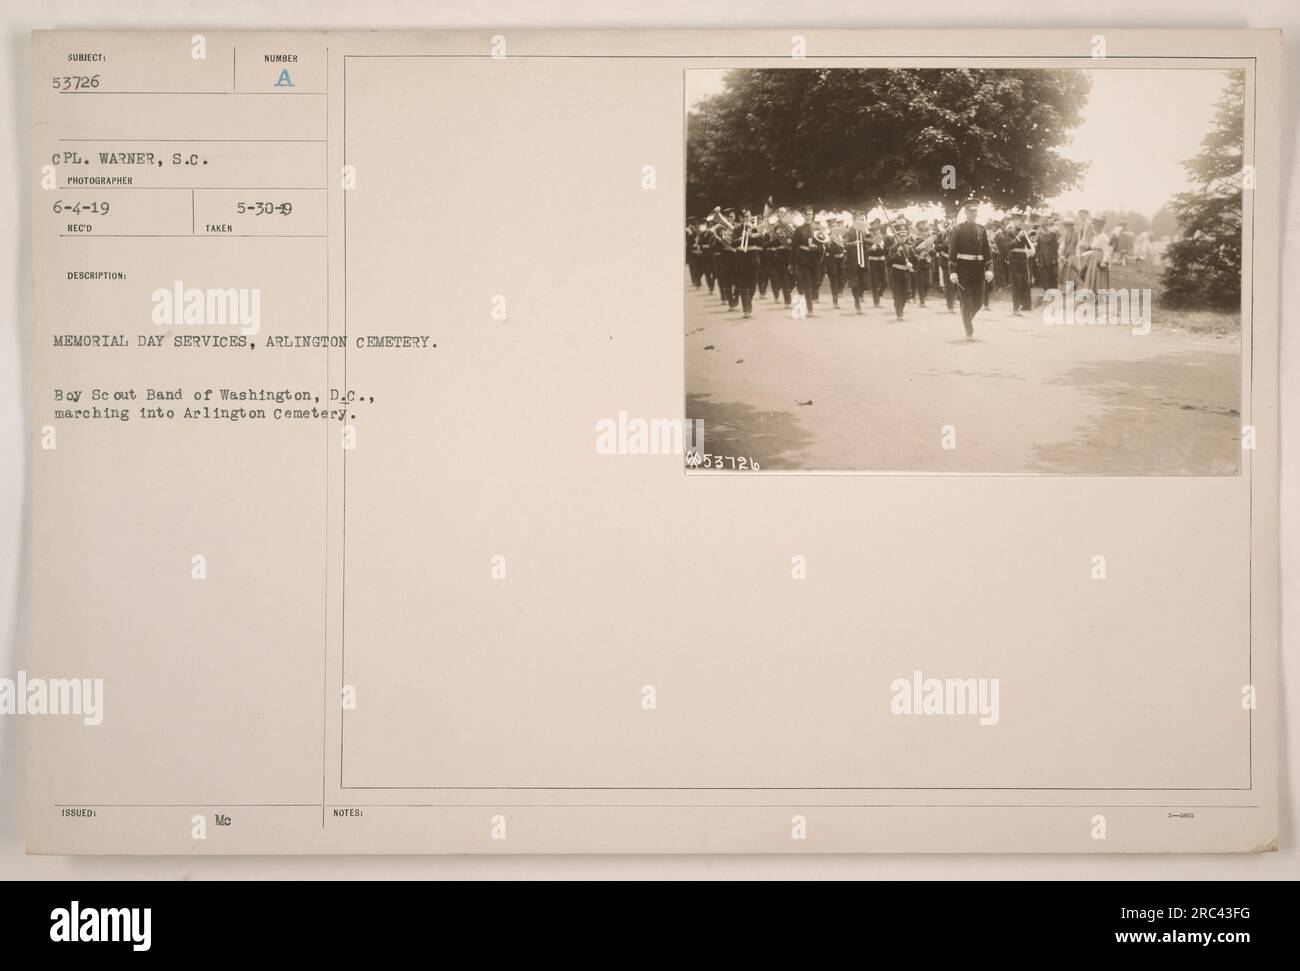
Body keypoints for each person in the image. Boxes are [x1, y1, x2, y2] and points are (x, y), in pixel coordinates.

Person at [947, 198, 993, 339]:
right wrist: (953, 272)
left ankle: (966, 318)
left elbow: (987, 253)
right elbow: (952, 253)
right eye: (971, 210)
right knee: (966, 302)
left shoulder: (981, 229)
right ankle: (969, 330)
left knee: (979, 302)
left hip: (978, 270)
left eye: (976, 210)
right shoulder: (958, 229)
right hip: (963, 270)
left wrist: (989, 269)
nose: (974, 213)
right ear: (965, 211)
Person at [791, 207, 824, 317]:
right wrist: (792, 263)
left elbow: (822, 244)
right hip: (803, 260)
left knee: (816, 282)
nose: (809, 216)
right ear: (803, 216)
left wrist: (817, 247)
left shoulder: (818, 227)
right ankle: (810, 309)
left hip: (815, 260)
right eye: (807, 214)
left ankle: (811, 299)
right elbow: (794, 247)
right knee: (807, 284)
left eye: (810, 214)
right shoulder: (799, 230)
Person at [842, 212, 873, 314]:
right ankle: (857, 303)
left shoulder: (865, 231)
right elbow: (844, 244)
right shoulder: (848, 231)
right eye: (858, 219)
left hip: (864, 260)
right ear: (854, 220)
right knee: (855, 284)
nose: (861, 221)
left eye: (862, 219)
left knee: (864, 283)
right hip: (852, 261)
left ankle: (860, 295)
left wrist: (868, 240)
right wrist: (853, 243)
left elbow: (870, 243)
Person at [1006, 216, 1035, 315]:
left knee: (1025, 281)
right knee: (1015, 283)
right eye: (1018, 219)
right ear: (1014, 220)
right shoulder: (1009, 231)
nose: (1020, 221)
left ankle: (1026, 305)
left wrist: (1025, 236)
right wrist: (1018, 237)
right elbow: (1008, 246)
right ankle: (1016, 308)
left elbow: (1028, 246)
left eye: (1021, 220)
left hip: (1023, 258)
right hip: (1013, 257)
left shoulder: (1022, 232)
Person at [887, 221, 916, 320]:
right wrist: (897, 253)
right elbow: (889, 262)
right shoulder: (893, 248)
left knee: (906, 294)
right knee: (897, 295)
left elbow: (916, 258)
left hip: (906, 274)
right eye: (900, 236)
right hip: (896, 274)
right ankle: (899, 313)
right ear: (897, 237)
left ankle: (901, 308)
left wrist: (912, 264)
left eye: (904, 236)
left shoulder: (909, 247)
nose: (903, 238)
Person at [866, 219, 888, 307]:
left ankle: (878, 294)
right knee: (875, 282)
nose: (878, 231)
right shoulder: (869, 238)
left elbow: (887, 250)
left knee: (885, 282)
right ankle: (876, 302)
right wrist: (872, 248)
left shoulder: (884, 239)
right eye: (876, 229)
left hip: (882, 261)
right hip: (873, 262)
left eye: (879, 229)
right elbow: (866, 251)